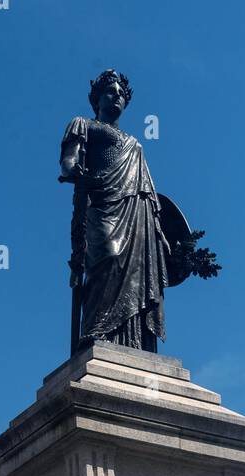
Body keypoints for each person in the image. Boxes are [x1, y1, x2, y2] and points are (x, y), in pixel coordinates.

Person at [60, 69, 169, 351]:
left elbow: (147, 188)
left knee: (137, 273)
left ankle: (132, 341)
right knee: (107, 257)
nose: (116, 97)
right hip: (102, 205)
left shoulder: (133, 143)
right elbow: (69, 160)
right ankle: (96, 331)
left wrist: (158, 229)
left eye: (121, 93)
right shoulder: (82, 124)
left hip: (136, 211)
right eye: (111, 92)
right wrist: (73, 171)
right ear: (96, 98)